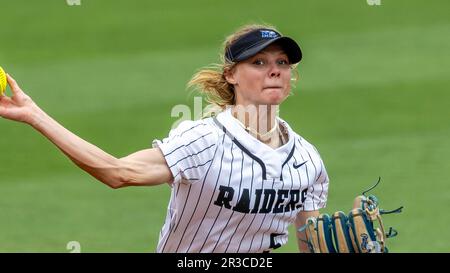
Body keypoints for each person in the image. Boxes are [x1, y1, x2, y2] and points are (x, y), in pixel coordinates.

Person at [0, 24, 329, 253]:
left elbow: (310, 242)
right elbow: (118, 173)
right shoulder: (203, 141)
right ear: (231, 75)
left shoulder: (307, 160)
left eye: (282, 63)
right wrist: (33, 114)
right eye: (258, 62)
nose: (274, 70)